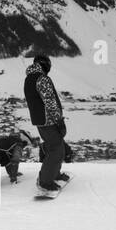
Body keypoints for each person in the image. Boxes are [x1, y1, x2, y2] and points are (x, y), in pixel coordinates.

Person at [24, 54, 70, 193]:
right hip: (49, 120)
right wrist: (59, 121)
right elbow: (50, 103)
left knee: (53, 147)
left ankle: (53, 174)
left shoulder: (29, 79)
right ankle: (45, 181)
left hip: (40, 120)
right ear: (46, 65)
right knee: (57, 150)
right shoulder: (42, 79)